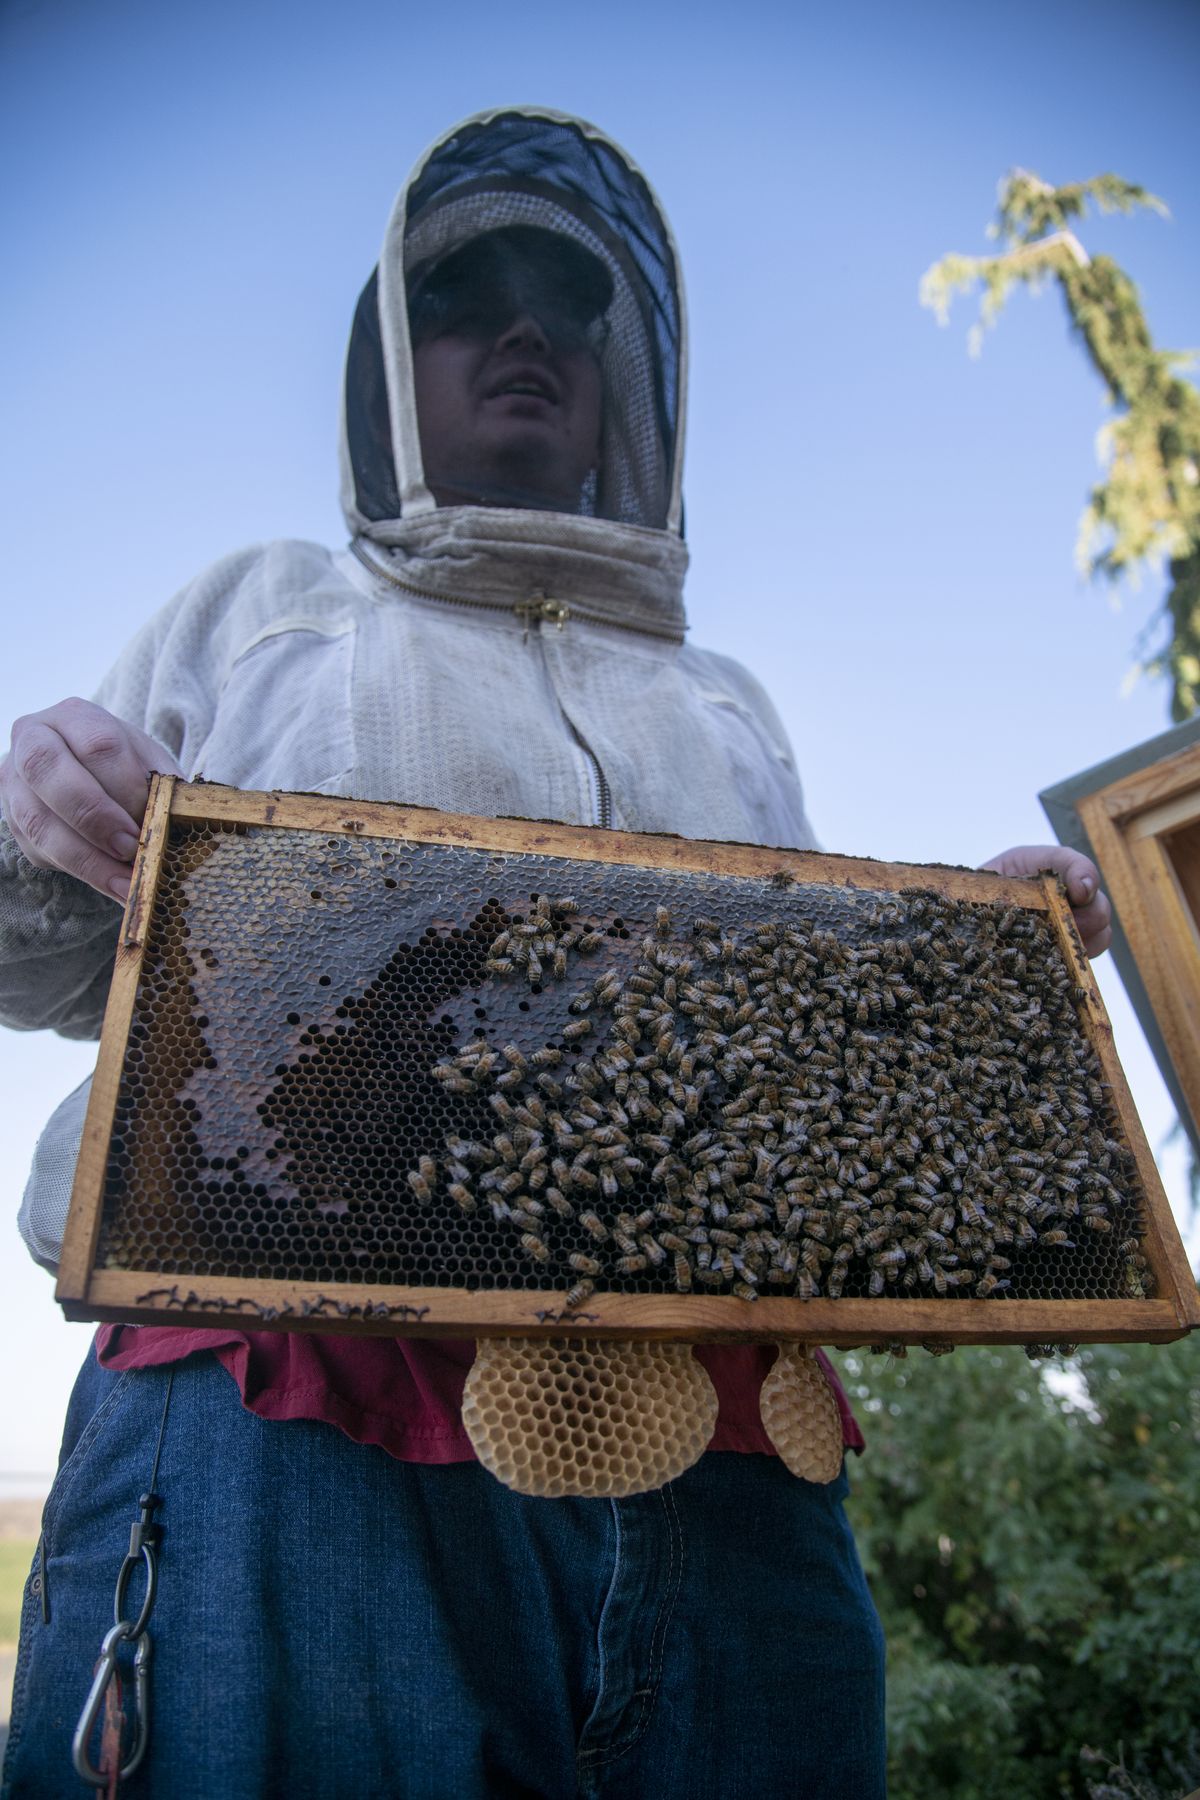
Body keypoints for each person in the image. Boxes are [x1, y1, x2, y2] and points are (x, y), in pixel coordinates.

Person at [0, 108, 1112, 1800]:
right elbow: (42, 962)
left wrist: (972, 965)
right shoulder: (261, 610)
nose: (525, 332)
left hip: (732, 1469)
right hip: (299, 1420)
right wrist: (38, 808)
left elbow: (787, 1053)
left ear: (628, 378)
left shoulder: (725, 701)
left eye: (569, 308)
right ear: (391, 368)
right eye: (469, 298)